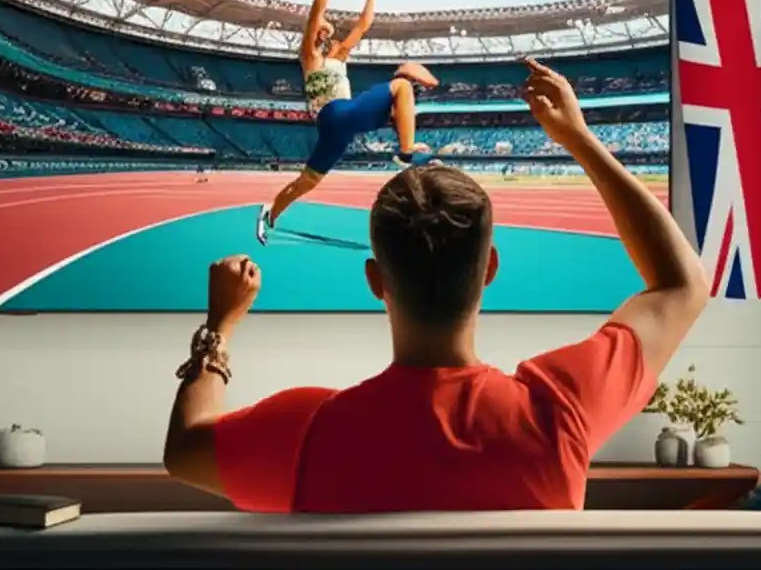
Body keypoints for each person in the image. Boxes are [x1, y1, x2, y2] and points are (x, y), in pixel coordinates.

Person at [163, 58, 708, 512]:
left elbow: (185, 449)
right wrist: (579, 139)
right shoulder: (561, 408)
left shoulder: (310, 430)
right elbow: (682, 286)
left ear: (376, 281)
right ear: (489, 267)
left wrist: (221, 325)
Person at [255, 0, 440, 245]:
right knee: (401, 85)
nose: (325, 30)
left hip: (340, 128)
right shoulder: (310, 57)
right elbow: (318, 6)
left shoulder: (339, 56)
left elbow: (364, 25)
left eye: (328, 29)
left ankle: (270, 213)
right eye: (321, 27)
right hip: (335, 113)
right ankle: (406, 151)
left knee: (309, 180)